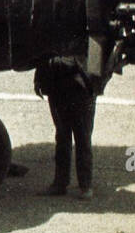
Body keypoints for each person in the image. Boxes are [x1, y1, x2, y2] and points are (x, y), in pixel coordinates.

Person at [34, 54, 101, 200]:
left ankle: (85, 185)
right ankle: (60, 183)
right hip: (58, 86)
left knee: (82, 137)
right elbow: (42, 52)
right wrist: (39, 78)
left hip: (81, 87)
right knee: (62, 137)